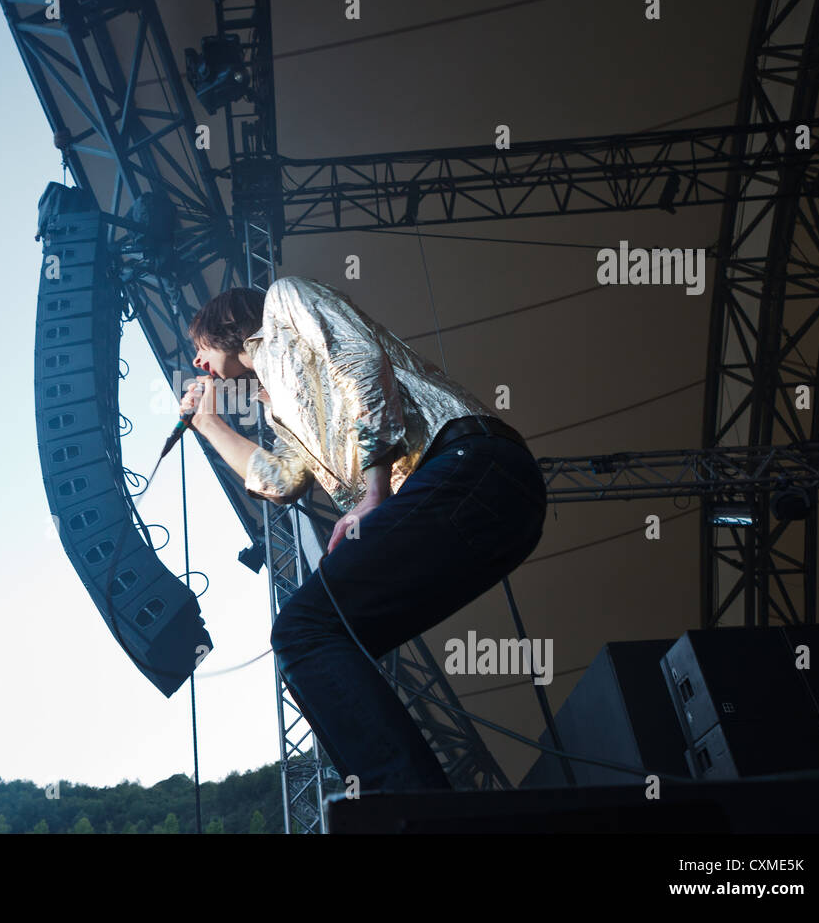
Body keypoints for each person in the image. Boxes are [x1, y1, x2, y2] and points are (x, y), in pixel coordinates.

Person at [181, 275, 547, 793]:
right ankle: (414, 802)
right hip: (485, 509)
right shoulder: (279, 404)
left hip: (470, 465)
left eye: (200, 346)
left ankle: (411, 807)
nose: (198, 362)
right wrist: (210, 425)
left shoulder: (285, 301)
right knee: (321, 641)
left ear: (226, 325)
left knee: (303, 629)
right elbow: (282, 480)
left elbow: (358, 360)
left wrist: (375, 492)